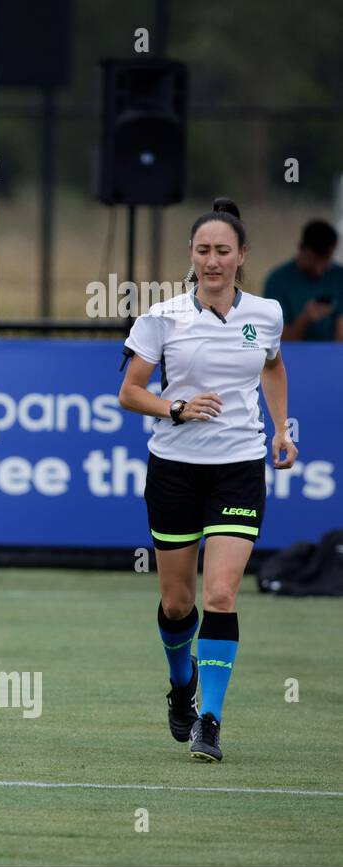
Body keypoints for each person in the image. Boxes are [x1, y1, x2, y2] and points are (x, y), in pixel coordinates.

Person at [118, 198, 296, 763]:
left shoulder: (266, 313)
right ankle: (180, 685)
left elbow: (272, 364)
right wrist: (175, 408)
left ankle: (211, 721)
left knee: (221, 594)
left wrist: (279, 429)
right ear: (190, 256)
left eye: (223, 251)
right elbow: (130, 392)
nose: (213, 261)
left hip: (239, 469)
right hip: (173, 471)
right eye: (203, 251)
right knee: (177, 604)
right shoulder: (162, 317)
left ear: (242, 255)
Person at [263, 219, 343, 342]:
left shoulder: (338, 277)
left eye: (325, 261)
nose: (319, 270)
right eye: (314, 261)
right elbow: (274, 341)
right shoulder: (277, 282)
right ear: (301, 249)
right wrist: (304, 320)